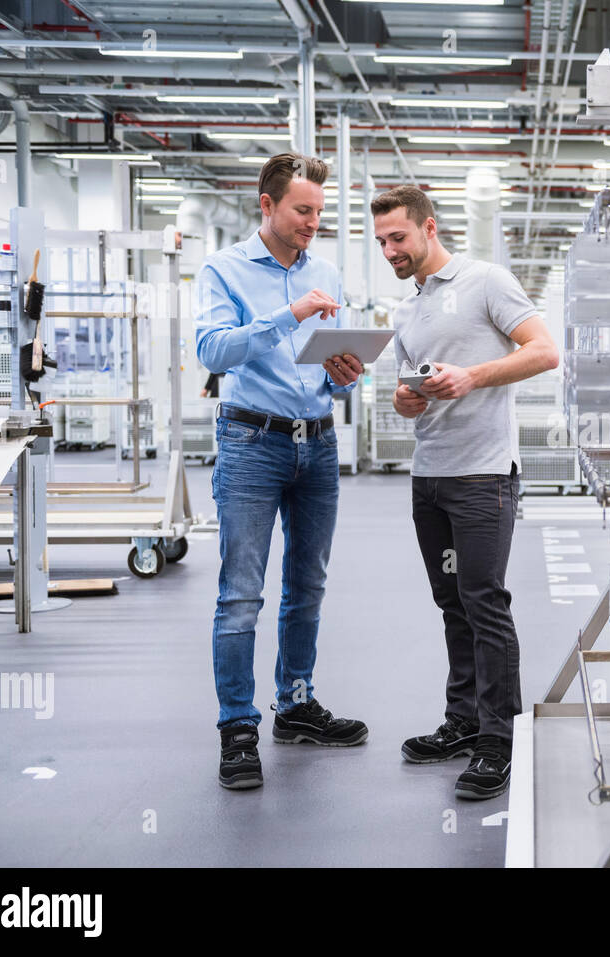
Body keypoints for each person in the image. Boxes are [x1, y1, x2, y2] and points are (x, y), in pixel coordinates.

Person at [376, 184, 559, 800]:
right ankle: (461, 722)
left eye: (397, 237)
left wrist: (474, 375)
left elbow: (544, 351)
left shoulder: (486, 281)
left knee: (484, 602)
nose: (389, 250)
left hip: (483, 478)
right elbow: (409, 399)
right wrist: (406, 399)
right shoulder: (408, 310)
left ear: (429, 229)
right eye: (380, 242)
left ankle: (496, 740)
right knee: (451, 601)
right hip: (430, 476)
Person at [195, 153, 368, 790]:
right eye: (303, 211)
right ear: (266, 206)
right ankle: (237, 726)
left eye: (319, 212)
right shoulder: (225, 269)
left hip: (317, 444)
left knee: (308, 586)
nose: (312, 223)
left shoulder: (326, 270)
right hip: (251, 443)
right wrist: (284, 318)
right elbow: (212, 350)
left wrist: (346, 376)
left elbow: (333, 364)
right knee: (241, 591)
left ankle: (295, 705)